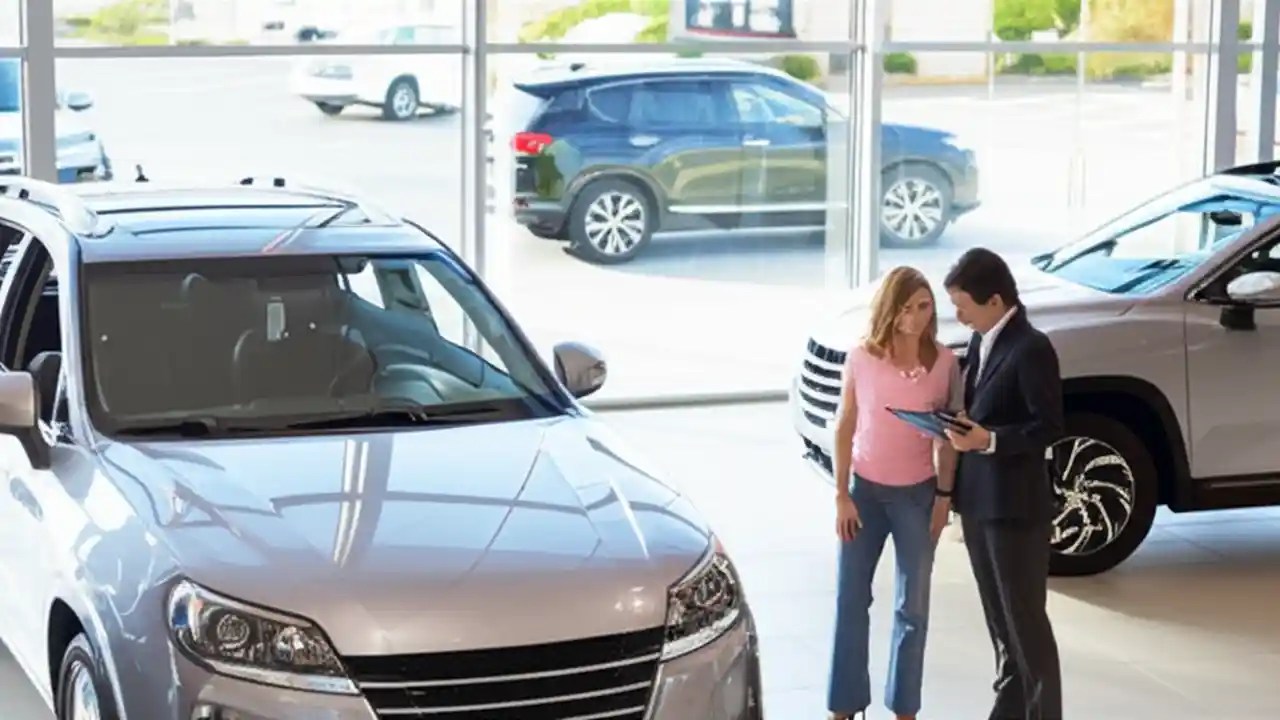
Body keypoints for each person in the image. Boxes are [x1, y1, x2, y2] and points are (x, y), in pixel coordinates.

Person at [828, 266, 961, 720]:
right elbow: (845, 425)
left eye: (924, 306)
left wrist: (944, 498)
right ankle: (844, 706)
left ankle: (905, 708)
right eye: (906, 308)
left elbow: (949, 437)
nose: (916, 317)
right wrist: (841, 493)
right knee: (850, 599)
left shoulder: (945, 362)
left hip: (917, 497)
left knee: (913, 607)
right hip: (863, 493)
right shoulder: (861, 358)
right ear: (890, 309)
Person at [941, 248, 1064, 720]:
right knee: (1001, 624)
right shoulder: (981, 340)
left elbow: (1049, 426)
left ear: (994, 300)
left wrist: (990, 440)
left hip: (1015, 508)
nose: (958, 315)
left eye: (963, 305)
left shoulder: (1031, 348)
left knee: (1025, 624)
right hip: (979, 502)